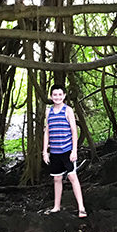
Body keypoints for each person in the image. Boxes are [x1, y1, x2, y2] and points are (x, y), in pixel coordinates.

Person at [42, 84, 87, 217]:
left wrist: (74, 151)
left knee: (72, 176)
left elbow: (74, 131)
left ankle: (81, 207)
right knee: (57, 179)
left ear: (64, 96)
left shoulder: (68, 110)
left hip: (67, 150)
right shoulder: (48, 111)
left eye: (60, 95)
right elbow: (47, 132)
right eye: (55, 95)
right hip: (54, 151)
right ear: (51, 96)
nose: (57, 97)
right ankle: (56, 206)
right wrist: (45, 151)